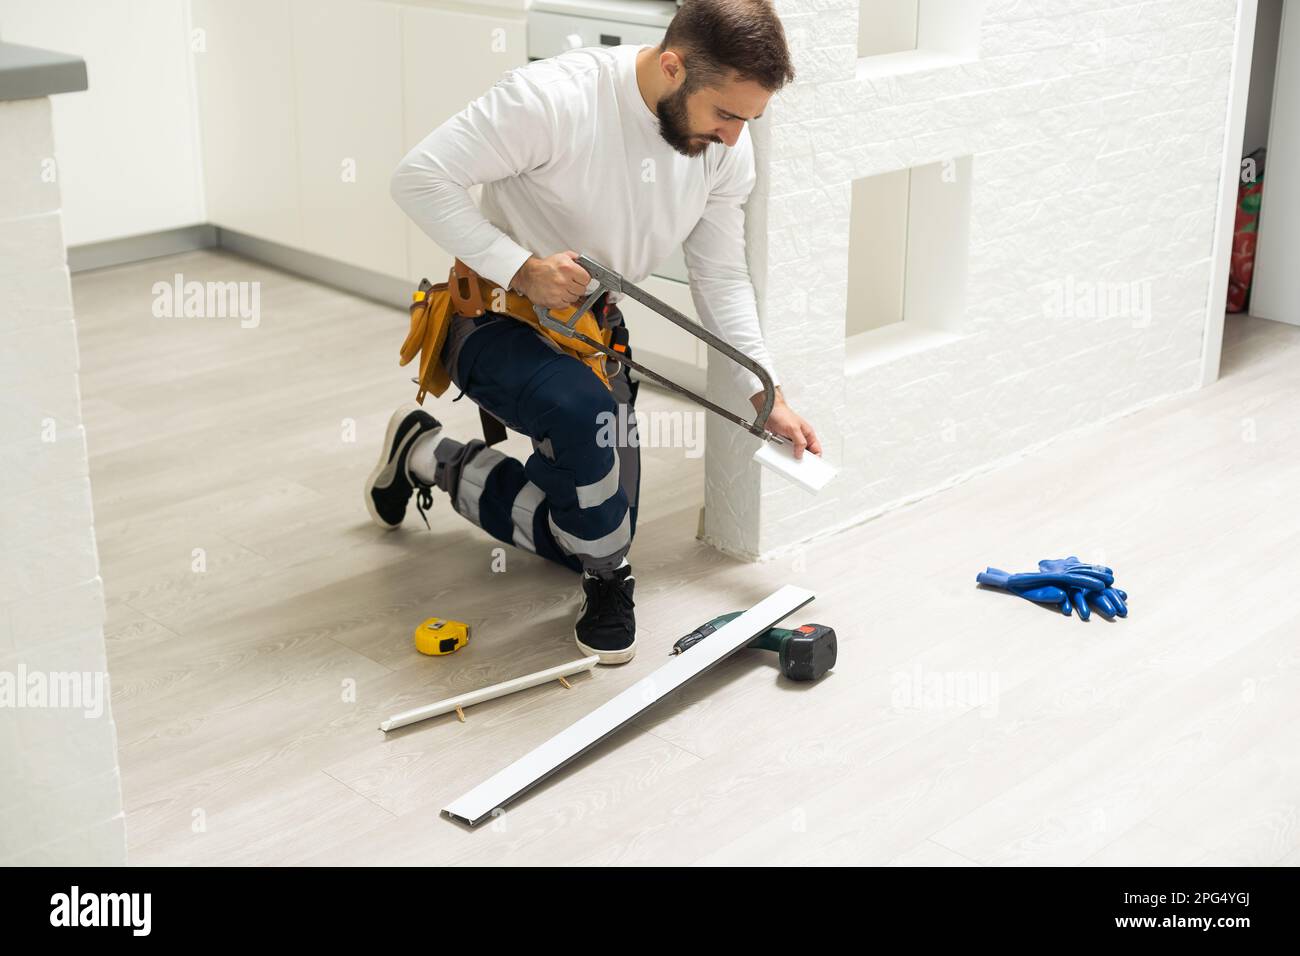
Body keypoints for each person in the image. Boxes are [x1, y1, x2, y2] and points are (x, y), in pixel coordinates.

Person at [366, 0, 821, 665]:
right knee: (584, 425)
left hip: (591, 332)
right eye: (725, 114)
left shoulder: (729, 147)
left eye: (748, 120)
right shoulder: (552, 100)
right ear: (673, 67)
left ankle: (426, 455)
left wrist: (766, 391)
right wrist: (522, 268)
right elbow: (418, 178)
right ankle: (610, 583)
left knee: (585, 527)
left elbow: (721, 275)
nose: (733, 138)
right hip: (494, 318)